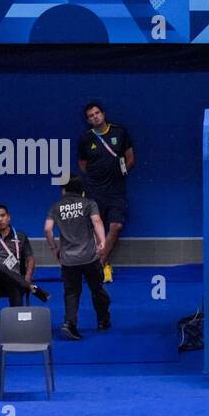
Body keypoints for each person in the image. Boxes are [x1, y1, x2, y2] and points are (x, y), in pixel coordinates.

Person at [44, 177, 111, 340]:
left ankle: (70, 323)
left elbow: (47, 229)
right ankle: (103, 320)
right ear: (81, 190)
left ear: (64, 190)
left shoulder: (55, 207)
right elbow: (97, 221)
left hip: (68, 260)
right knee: (97, 288)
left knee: (71, 292)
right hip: (89, 257)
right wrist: (103, 242)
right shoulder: (89, 203)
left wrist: (54, 248)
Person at [77, 101, 135, 283]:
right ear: (88, 120)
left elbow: (130, 158)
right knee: (97, 232)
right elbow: (83, 166)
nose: (95, 117)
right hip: (95, 191)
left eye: (97, 113)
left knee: (116, 226)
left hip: (116, 190)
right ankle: (105, 265)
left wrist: (120, 172)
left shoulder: (120, 132)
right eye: (90, 116)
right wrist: (97, 179)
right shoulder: (85, 139)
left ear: (103, 113)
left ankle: (99, 264)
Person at [0, 204, 48, 315]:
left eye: (3, 216)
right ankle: (30, 287)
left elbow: (30, 258)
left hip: (13, 279)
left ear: (9, 217)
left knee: (15, 286)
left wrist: (28, 277)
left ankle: (18, 324)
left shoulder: (21, 236)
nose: (0, 219)